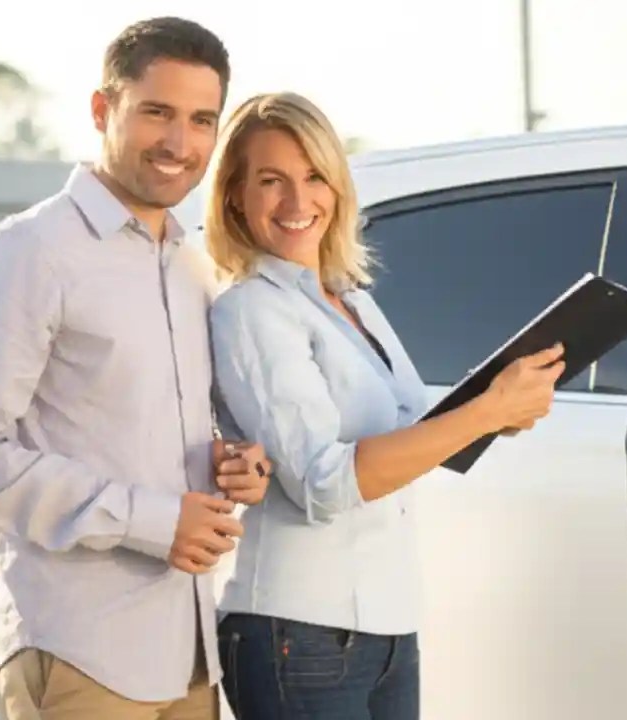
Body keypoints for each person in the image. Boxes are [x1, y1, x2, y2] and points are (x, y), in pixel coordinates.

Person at [0, 17, 271, 720]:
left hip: (188, 653)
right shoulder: (31, 251)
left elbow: (142, 426)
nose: (180, 144)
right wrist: (152, 520)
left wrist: (234, 463)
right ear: (101, 109)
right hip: (80, 653)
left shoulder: (190, 262)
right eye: (157, 112)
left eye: (201, 120)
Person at [204, 92, 565, 719]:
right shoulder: (251, 310)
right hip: (298, 631)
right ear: (235, 195)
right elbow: (323, 485)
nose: (297, 201)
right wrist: (483, 413)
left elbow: (409, 434)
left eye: (314, 176)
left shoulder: (353, 300)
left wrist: (499, 412)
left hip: (388, 625)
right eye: (271, 181)